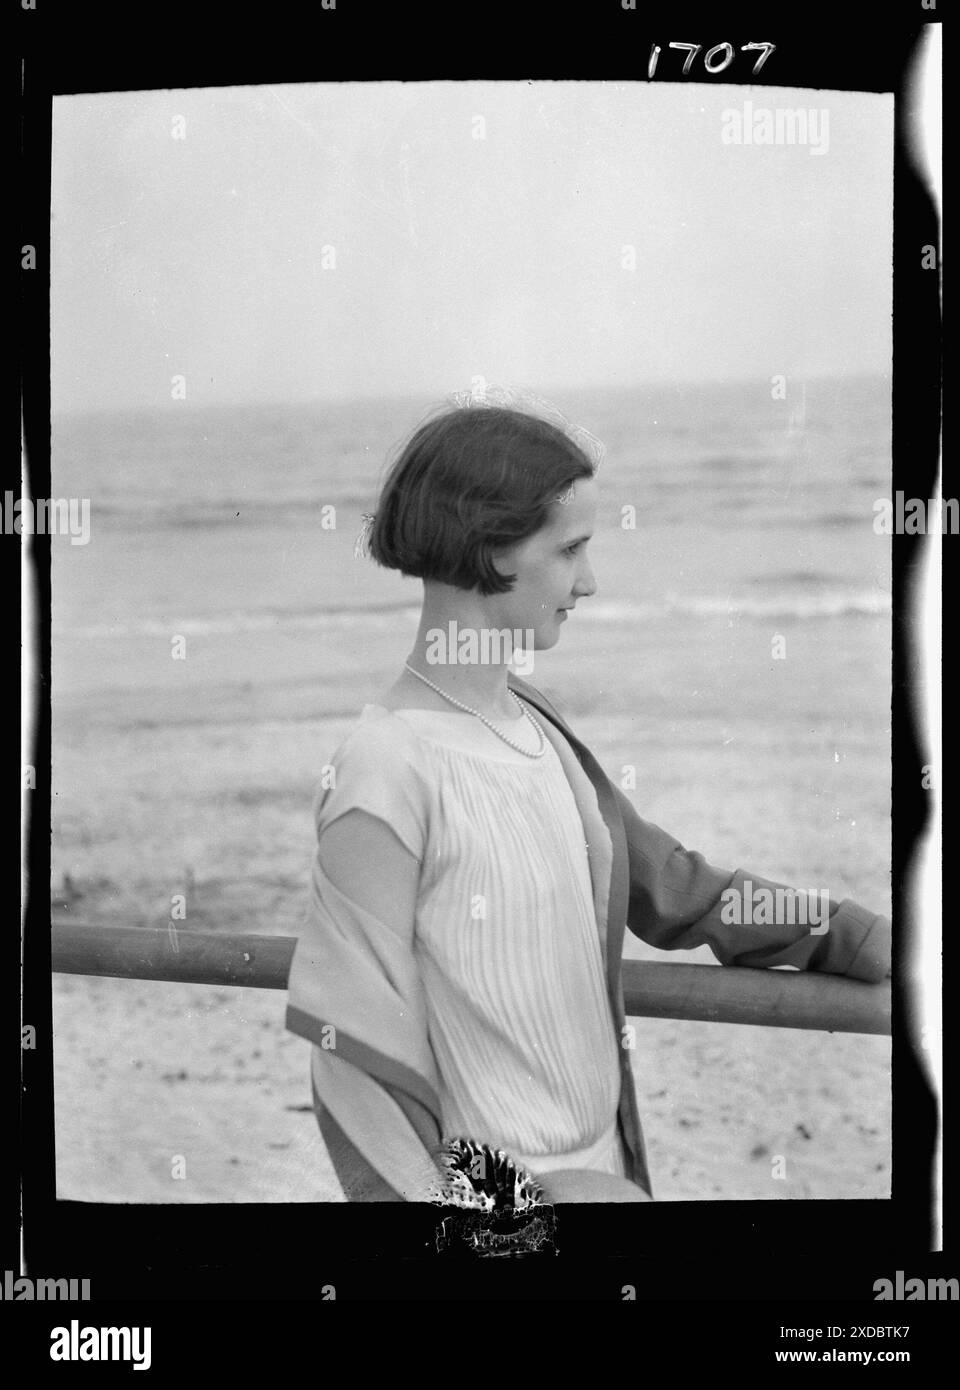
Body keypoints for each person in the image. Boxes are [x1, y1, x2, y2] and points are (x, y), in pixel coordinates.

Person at [285, 390, 890, 1204]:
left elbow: (677, 889)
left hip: (614, 1178)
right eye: (571, 550)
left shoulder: (538, 727)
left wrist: (858, 939)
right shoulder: (384, 766)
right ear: (489, 545)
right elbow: (352, 1076)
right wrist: (528, 1219)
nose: (592, 581)